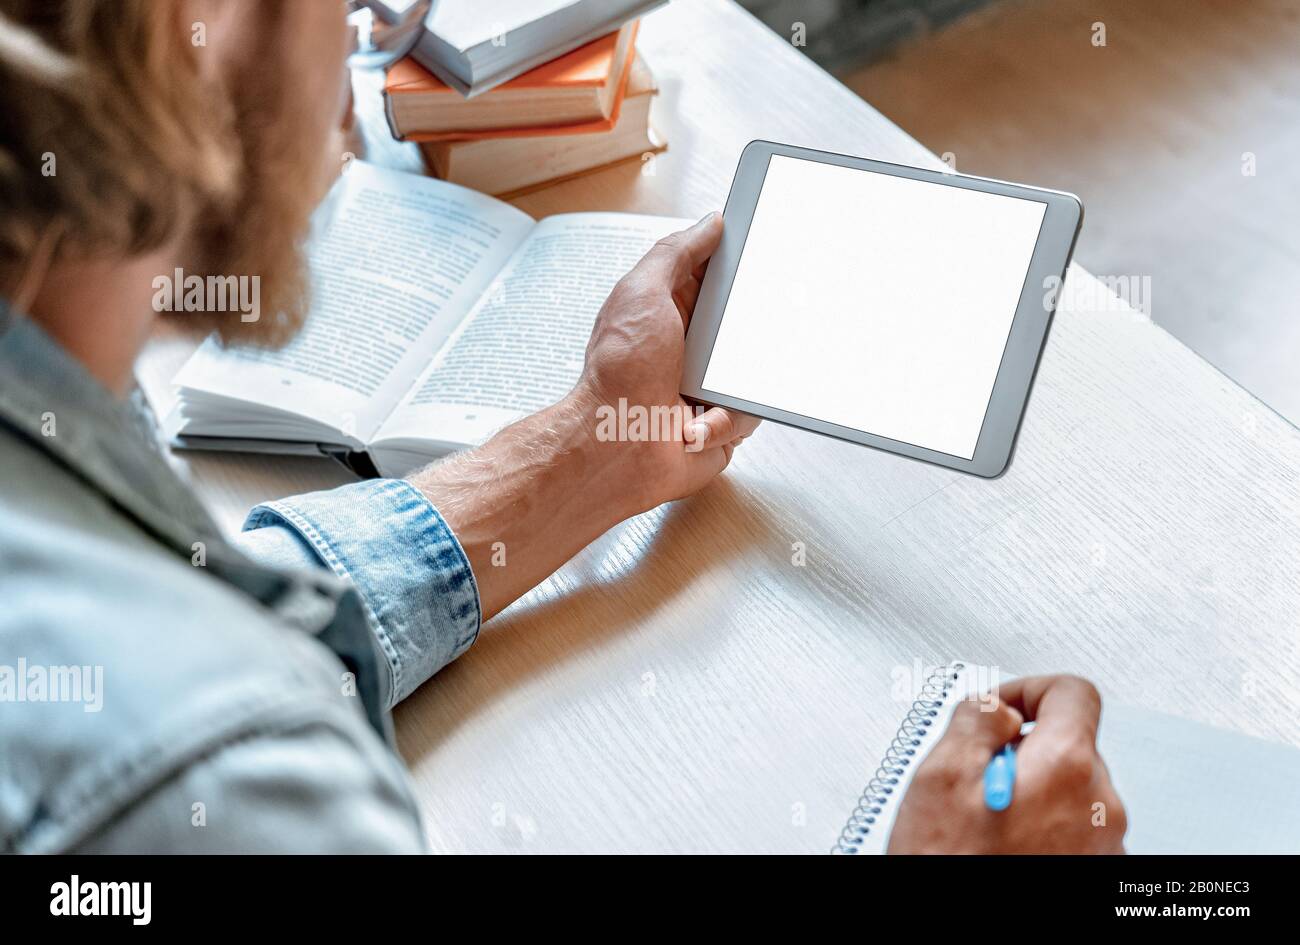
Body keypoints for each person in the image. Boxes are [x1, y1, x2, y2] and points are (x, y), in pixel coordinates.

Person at [0, 0, 1124, 853]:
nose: (372, 46)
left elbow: (219, 607)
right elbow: (194, 712)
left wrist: (595, 446)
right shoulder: (228, 789)